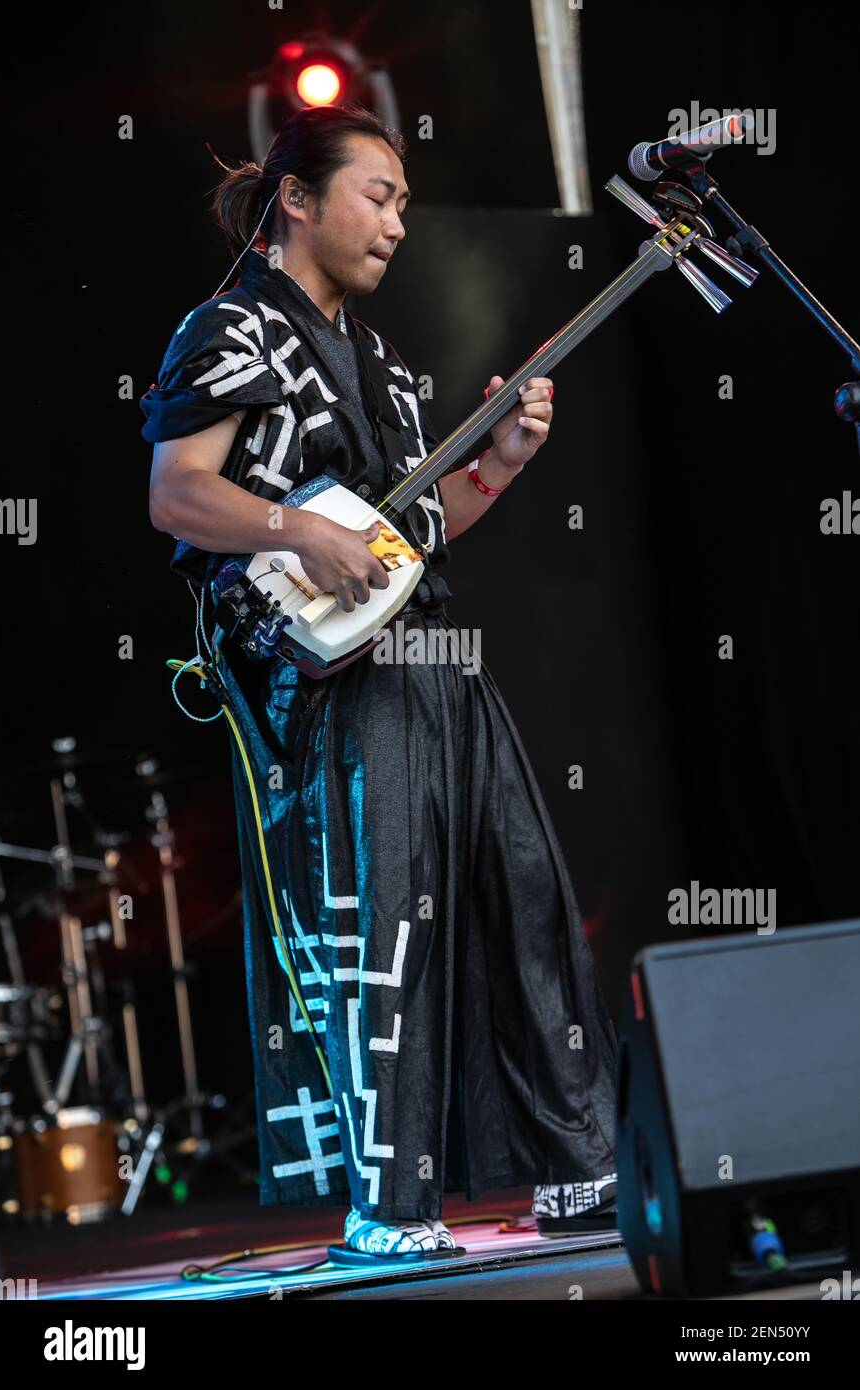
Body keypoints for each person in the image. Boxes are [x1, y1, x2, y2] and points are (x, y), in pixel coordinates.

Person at [141, 103, 618, 1258]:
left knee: (526, 902)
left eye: (405, 202)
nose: (399, 222)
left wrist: (499, 466)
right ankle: (389, 1207)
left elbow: (418, 538)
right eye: (379, 193)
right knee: (386, 930)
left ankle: (578, 1170)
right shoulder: (227, 331)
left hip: (435, 662)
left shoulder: (390, 369)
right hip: (334, 693)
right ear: (296, 200)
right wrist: (294, 528)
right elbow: (175, 491)